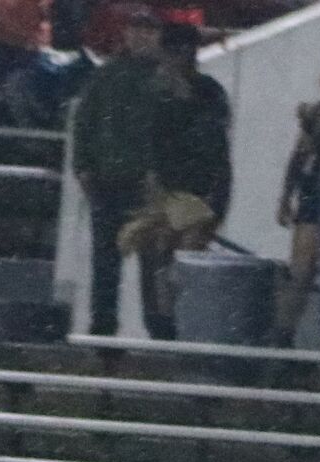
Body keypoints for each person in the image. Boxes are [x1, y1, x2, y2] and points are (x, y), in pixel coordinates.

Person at [127, 21, 233, 339]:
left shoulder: (208, 92)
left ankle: (177, 329)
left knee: (184, 264)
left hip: (197, 188)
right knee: (158, 261)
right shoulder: (150, 91)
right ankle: (161, 329)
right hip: (160, 187)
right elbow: (142, 143)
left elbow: (215, 144)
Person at [70, 5, 163, 337]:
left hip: (150, 188)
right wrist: (82, 167)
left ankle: (160, 331)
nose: (140, 36)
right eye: (135, 29)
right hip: (108, 184)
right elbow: (84, 123)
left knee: (154, 266)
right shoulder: (107, 75)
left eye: (148, 29)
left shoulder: (165, 76)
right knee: (106, 263)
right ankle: (103, 331)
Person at [274, 53, 320, 346]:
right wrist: (285, 196)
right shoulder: (318, 113)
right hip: (317, 190)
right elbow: (300, 154)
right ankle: (283, 337)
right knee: (302, 269)